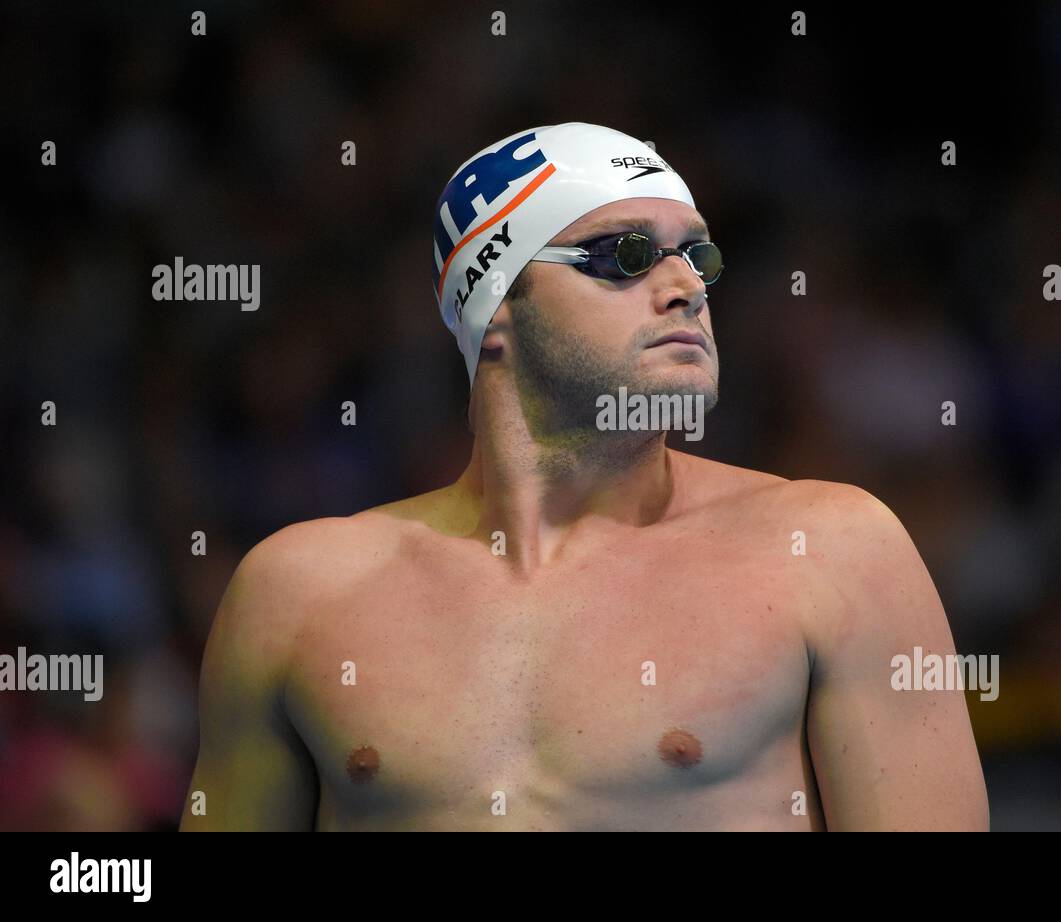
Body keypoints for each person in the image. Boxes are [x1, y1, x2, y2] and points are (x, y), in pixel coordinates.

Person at [180, 122, 988, 831]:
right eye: (625, 255)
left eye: (697, 256)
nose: (685, 288)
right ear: (496, 304)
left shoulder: (831, 553)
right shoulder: (297, 595)